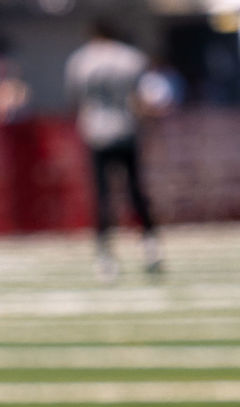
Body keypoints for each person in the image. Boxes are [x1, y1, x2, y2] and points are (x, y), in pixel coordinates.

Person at [65, 21, 162, 281]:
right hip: (126, 130)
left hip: (96, 134)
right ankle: (151, 248)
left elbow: (75, 100)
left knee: (103, 196)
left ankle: (105, 257)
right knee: (135, 192)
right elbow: (143, 99)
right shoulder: (131, 58)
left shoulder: (81, 60)